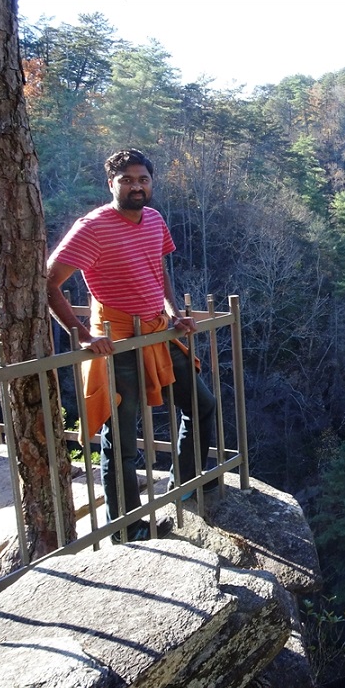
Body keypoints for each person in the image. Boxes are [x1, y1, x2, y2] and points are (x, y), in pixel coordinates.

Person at [47, 148, 216, 542]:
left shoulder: (155, 219)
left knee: (201, 404)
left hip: (157, 330)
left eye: (143, 179)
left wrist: (173, 312)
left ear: (151, 183)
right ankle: (125, 527)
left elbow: (158, 270)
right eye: (127, 180)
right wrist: (85, 335)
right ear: (111, 184)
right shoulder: (92, 227)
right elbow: (49, 283)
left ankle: (186, 482)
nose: (136, 186)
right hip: (118, 340)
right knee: (121, 438)